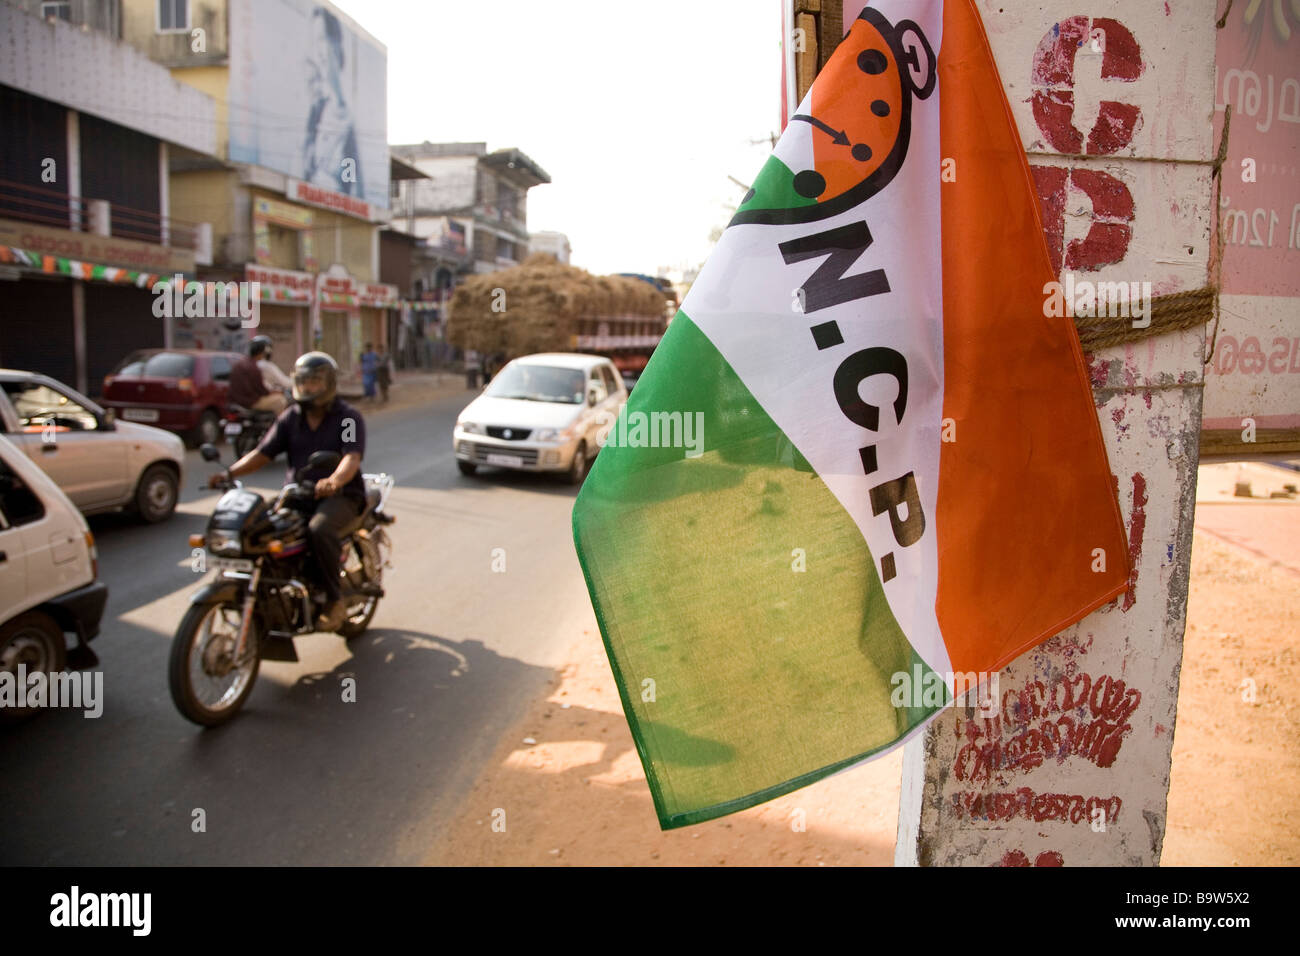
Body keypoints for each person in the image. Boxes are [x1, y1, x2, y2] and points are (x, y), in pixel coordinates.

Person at [210, 352, 366, 632]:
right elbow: (262, 454)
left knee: (319, 530)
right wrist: (229, 473)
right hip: (299, 494)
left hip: (342, 496)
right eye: (304, 382)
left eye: (315, 382)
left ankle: (334, 601)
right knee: (259, 526)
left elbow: (351, 458)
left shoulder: (347, 418)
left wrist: (334, 480)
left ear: (329, 384)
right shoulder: (290, 418)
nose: (309, 388)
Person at [229, 337, 286, 415]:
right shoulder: (254, 367)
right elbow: (261, 389)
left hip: (237, 400)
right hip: (250, 402)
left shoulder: (241, 364)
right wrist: (274, 392)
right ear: (262, 352)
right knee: (280, 400)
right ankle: (280, 425)